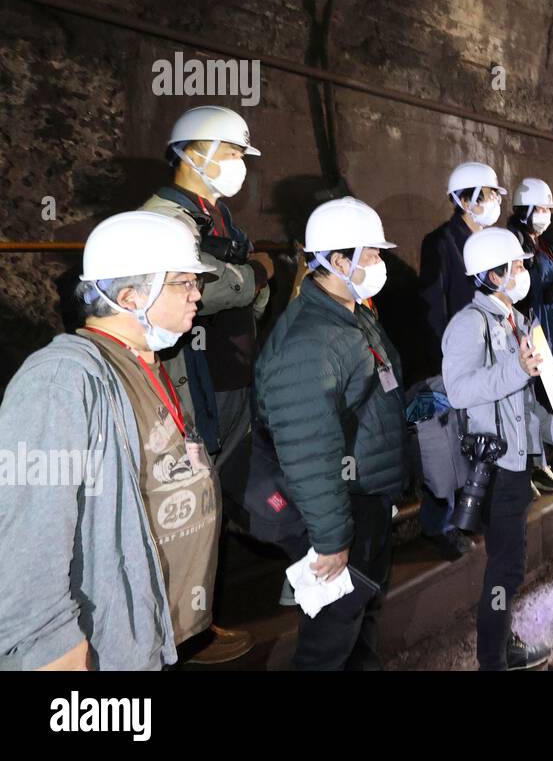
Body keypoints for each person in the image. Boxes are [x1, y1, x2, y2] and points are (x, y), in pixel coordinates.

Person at [0, 212, 217, 670]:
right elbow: (27, 529)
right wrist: (49, 646)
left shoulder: (145, 361)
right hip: (102, 649)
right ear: (130, 297)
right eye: (183, 282)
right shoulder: (60, 382)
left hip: (149, 635)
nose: (197, 294)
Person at [255, 198, 407, 670]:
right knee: (328, 645)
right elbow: (308, 452)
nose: (381, 265)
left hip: (368, 497)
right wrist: (331, 537)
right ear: (339, 262)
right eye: (373, 255)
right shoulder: (307, 342)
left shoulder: (350, 313)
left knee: (362, 622)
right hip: (345, 507)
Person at [142, 104, 268, 663]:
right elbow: (194, 289)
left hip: (228, 379)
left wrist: (251, 285)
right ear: (193, 152)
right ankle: (178, 632)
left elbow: (238, 289)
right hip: (191, 386)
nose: (241, 164)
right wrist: (254, 276)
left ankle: (199, 616)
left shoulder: (215, 216)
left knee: (211, 503)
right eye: (234, 152)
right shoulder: (164, 220)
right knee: (184, 506)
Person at [442, 228, 553, 671]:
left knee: (508, 562)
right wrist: (515, 367)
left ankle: (501, 642)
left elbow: (522, 403)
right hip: (494, 465)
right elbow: (460, 390)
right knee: (507, 567)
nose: (522, 272)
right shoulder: (468, 325)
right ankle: (494, 659)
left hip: (515, 459)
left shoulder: (511, 318)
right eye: (513, 267)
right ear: (489, 274)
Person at [417, 161, 504, 558]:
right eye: (486, 195)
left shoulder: (493, 241)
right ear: (464, 200)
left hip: (490, 355)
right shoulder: (441, 243)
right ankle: (439, 525)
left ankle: (474, 515)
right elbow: (433, 305)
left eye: (494, 195)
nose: (492, 202)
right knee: (448, 443)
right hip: (457, 357)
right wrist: (449, 359)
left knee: (480, 440)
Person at [505, 177, 553, 495]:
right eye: (541, 208)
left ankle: (547, 457)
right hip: (535, 330)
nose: (546, 214)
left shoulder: (548, 241)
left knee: (551, 397)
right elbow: (526, 286)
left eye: (549, 208)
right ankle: (535, 464)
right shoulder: (513, 242)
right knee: (533, 399)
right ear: (525, 210)